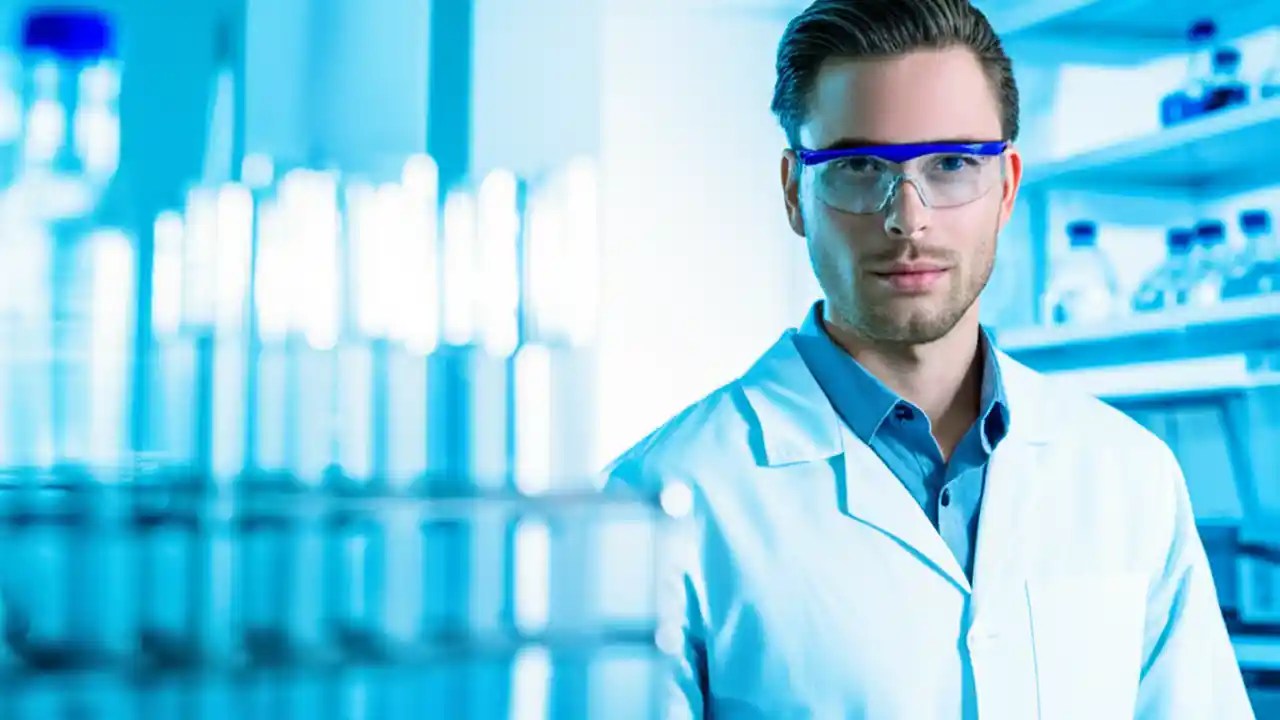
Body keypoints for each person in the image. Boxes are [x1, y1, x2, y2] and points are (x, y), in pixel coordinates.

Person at [601, 0, 1256, 718]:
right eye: (858, 166)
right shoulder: (659, 503)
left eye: (951, 164)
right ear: (794, 192)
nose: (908, 218)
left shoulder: (1129, 476)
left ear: (1006, 187)